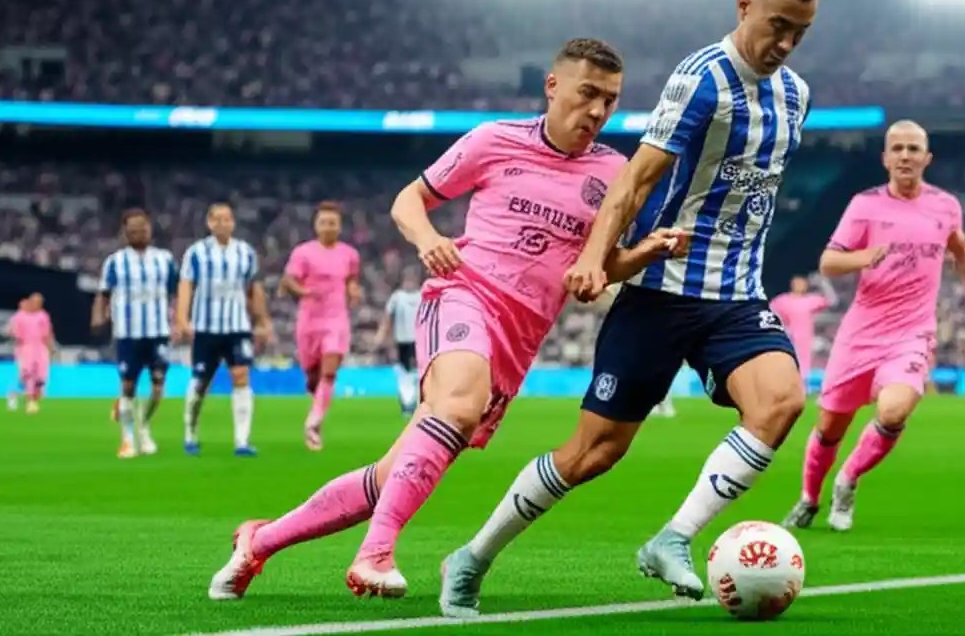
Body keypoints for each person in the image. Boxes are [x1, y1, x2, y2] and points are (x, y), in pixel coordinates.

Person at [206, 38, 688, 602]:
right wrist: (430, 239)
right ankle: (375, 554)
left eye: (610, 100)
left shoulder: (614, 173)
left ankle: (257, 543)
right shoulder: (494, 140)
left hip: (518, 341)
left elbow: (595, 270)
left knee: (387, 479)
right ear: (552, 87)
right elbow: (409, 199)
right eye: (588, 94)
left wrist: (646, 252)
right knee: (456, 405)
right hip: (463, 295)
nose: (599, 112)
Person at [438, 0, 827, 617]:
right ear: (745, 7)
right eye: (777, 23)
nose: (785, 42)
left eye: (800, 31)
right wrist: (596, 256)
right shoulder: (701, 79)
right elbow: (634, 181)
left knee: (783, 402)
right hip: (660, 290)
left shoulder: (797, 95)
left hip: (735, 295)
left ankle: (673, 538)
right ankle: (471, 557)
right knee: (593, 453)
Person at [782, 119, 965, 533]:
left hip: (912, 333)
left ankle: (848, 479)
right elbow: (828, 261)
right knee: (829, 427)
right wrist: (863, 258)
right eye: (898, 149)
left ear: (927, 158)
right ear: (885, 158)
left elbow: (960, 250)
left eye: (914, 149)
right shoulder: (865, 205)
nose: (906, 156)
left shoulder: (946, 206)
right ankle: (809, 498)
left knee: (894, 410)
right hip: (861, 333)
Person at [174, 203, 272, 457]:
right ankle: (191, 432)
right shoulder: (196, 253)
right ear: (209, 222)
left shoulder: (245, 252)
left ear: (233, 222)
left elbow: (254, 290)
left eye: (226, 219)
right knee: (199, 384)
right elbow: (186, 285)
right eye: (216, 219)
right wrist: (182, 319)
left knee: (241, 377)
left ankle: (242, 441)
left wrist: (262, 321)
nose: (222, 223)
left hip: (237, 327)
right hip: (205, 328)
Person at [92, 209, 177, 458]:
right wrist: (99, 315)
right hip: (128, 333)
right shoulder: (115, 262)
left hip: (158, 332)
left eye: (142, 227)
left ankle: (144, 425)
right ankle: (127, 439)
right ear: (125, 232)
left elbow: (177, 291)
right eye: (133, 229)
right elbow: (103, 293)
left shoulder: (165, 260)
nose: (138, 232)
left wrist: (181, 320)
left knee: (158, 388)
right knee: (128, 386)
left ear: (150, 230)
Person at [279, 202, 361, 451]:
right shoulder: (303, 253)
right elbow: (288, 280)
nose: (328, 227)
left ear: (339, 226)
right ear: (316, 225)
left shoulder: (350, 254)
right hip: (309, 321)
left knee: (329, 372)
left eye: (333, 223)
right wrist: (303, 291)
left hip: (336, 320)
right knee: (313, 378)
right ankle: (317, 406)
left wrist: (353, 292)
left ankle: (313, 423)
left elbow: (351, 281)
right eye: (324, 222)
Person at [770, 273, 838, 392]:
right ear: (792, 284)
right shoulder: (783, 300)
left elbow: (832, 301)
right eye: (797, 283)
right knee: (788, 362)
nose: (800, 286)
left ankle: (802, 389)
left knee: (804, 364)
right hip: (788, 337)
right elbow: (772, 314)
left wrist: (823, 283)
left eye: (802, 283)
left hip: (805, 339)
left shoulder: (810, 300)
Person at [377, 272, 422, 418]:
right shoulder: (397, 297)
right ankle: (407, 404)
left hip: (420, 341)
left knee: (418, 373)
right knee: (405, 373)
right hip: (402, 340)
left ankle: (417, 403)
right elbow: (388, 317)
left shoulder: (422, 295)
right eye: (407, 280)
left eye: (412, 280)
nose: (409, 283)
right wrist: (383, 334)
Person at [8, 293, 54, 414]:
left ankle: (31, 400)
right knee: (27, 375)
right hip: (26, 348)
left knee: (40, 378)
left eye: (39, 302)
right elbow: (14, 333)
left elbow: (47, 333)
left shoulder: (43, 316)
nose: (37, 304)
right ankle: (28, 401)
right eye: (35, 302)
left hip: (40, 348)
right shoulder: (20, 316)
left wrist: (50, 349)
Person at [6, 297, 29, 412]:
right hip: (21, 352)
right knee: (20, 376)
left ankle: (27, 401)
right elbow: (8, 331)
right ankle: (12, 400)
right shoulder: (16, 318)